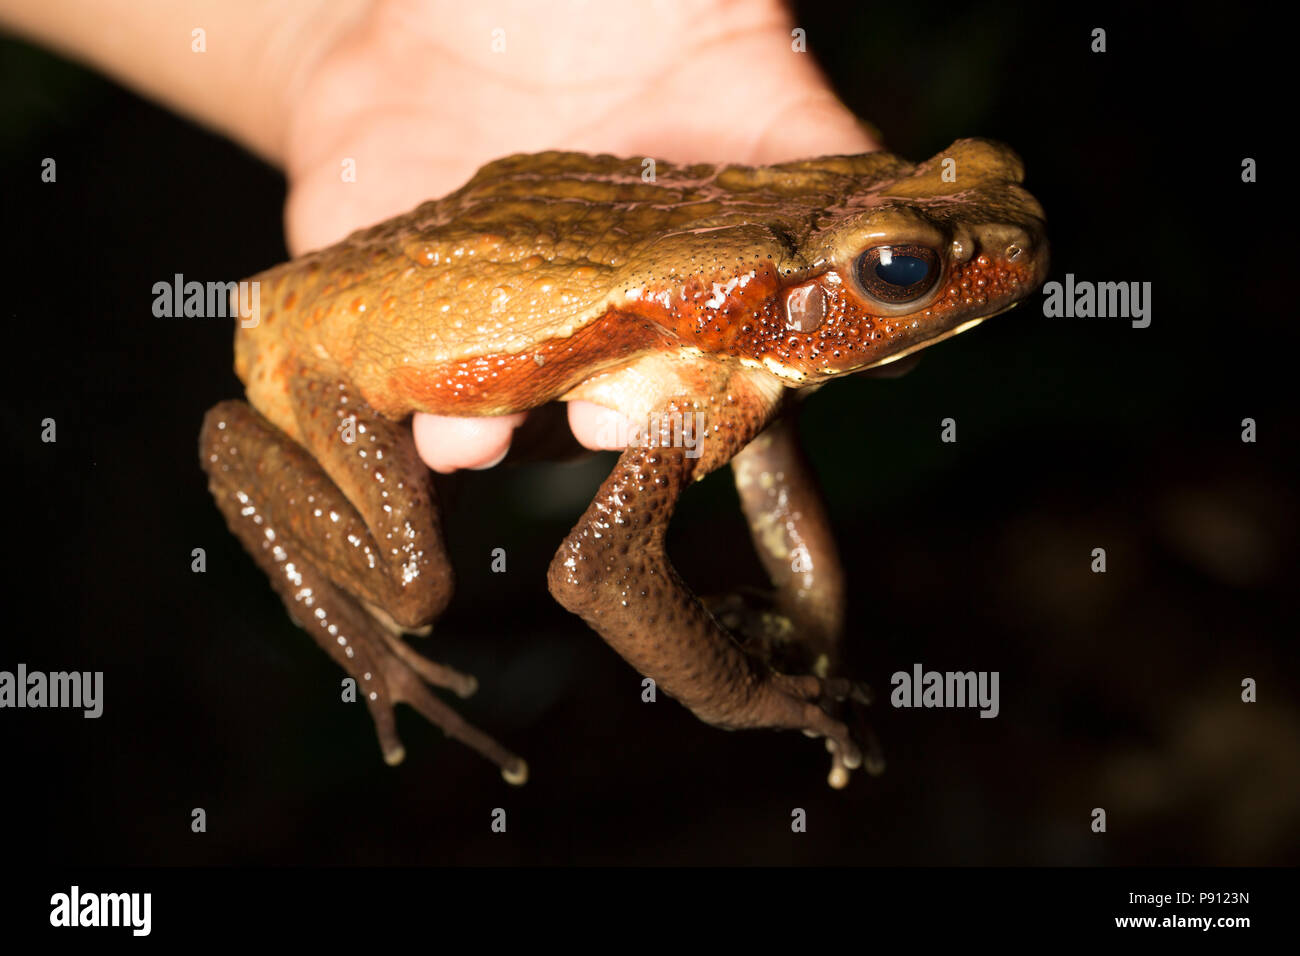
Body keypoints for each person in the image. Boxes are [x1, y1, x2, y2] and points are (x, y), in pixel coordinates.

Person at [2, 0, 878, 469]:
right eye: (898, 265)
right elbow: (593, 574)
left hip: (446, 250)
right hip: (324, 357)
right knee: (417, 583)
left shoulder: (742, 302)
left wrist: (325, 45)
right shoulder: (726, 323)